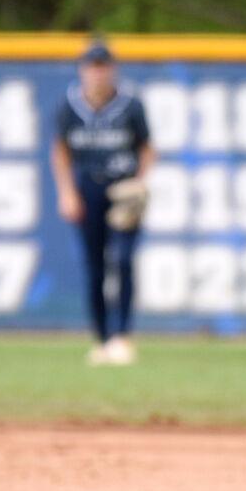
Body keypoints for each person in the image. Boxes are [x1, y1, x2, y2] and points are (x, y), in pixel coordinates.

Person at [50, 40, 155, 366]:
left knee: (122, 261)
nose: (98, 73)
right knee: (94, 267)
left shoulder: (130, 104)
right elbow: (61, 151)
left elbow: (148, 148)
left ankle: (122, 336)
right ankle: (101, 338)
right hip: (88, 190)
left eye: (103, 66)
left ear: (113, 69)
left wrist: (140, 182)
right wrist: (67, 193)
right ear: (83, 70)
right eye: (92, 67)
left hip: (123, 189)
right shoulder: (70, 106)